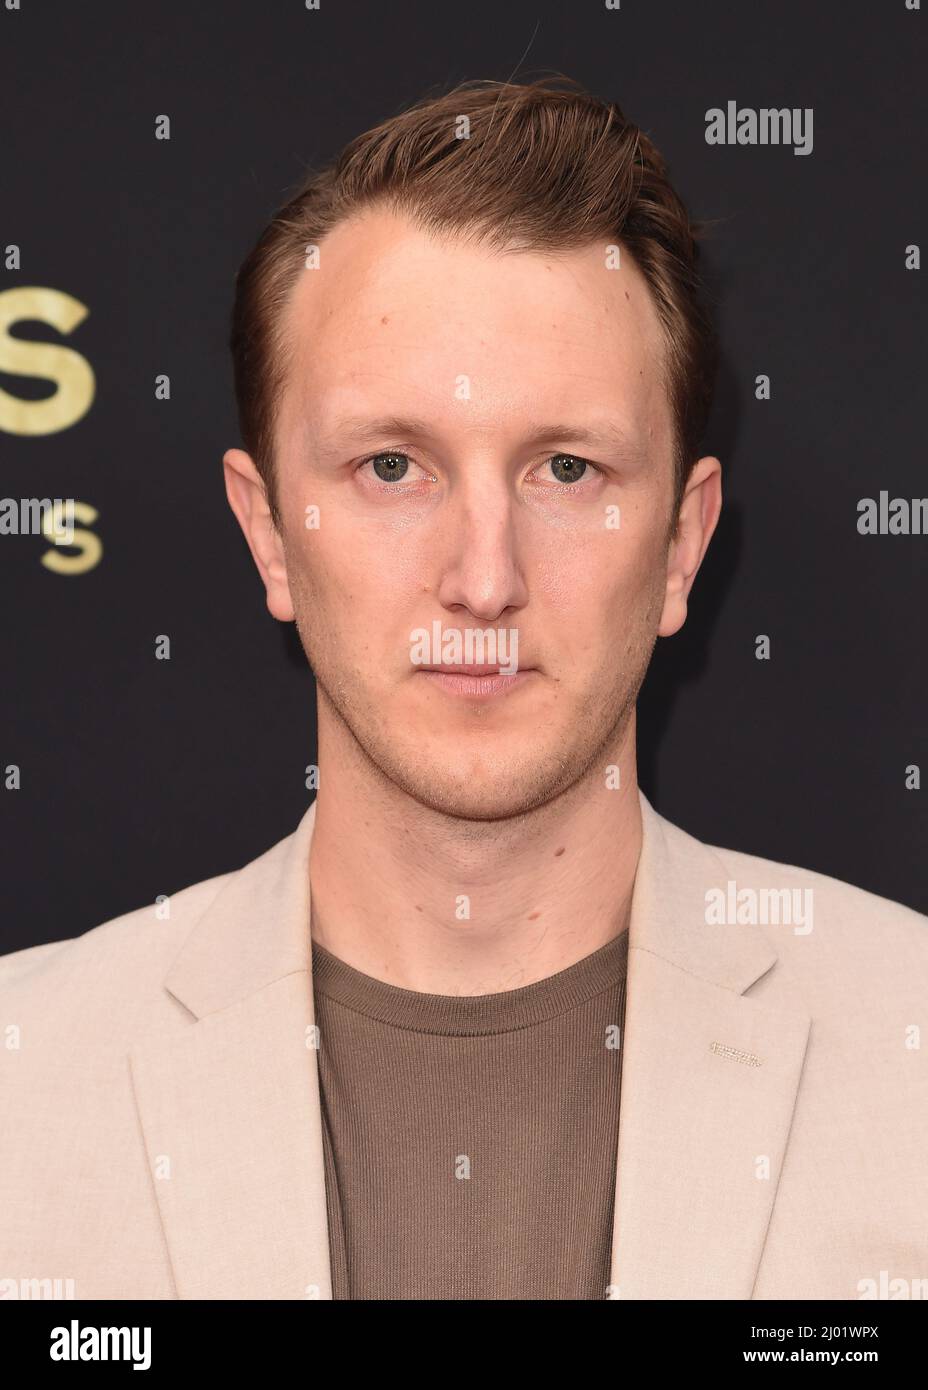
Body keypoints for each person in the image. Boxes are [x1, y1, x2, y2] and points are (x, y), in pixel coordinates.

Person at [2, 77, 926, 1303]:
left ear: (682, 544)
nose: (483, 578)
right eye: (392, 466)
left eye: (565, 466)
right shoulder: (24, 1079)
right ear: (269, 532)